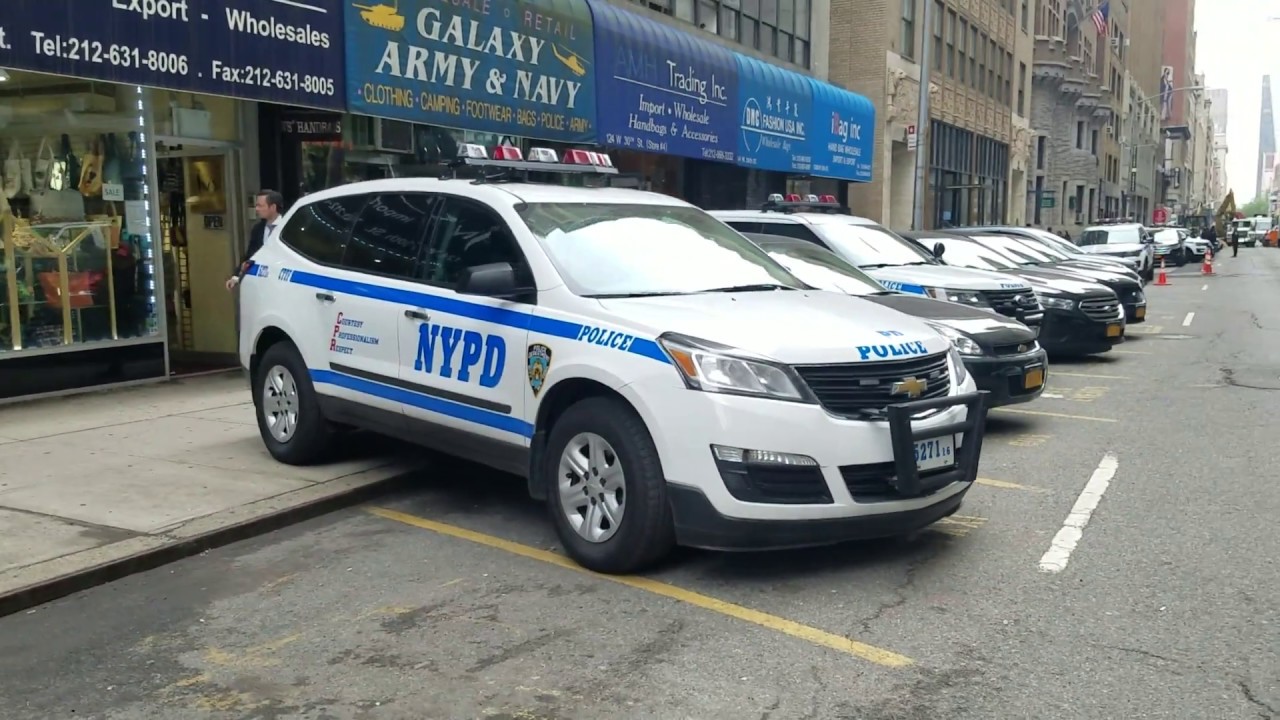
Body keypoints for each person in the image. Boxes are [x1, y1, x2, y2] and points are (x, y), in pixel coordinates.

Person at [225, 189, 285, 291]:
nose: (256, 209)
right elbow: (250, 255)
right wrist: (236, 276)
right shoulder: (258, 229)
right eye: (256, 205)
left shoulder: (287, 228)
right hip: (262, 283)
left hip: (282, 283)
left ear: (273, 207)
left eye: (260, 206)